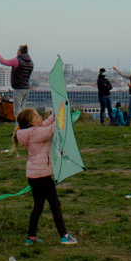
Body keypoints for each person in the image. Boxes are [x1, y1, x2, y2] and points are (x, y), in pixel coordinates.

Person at [14, 105, 77, 245]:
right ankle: (64, 235)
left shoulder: (30, 131)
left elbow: (46, 124)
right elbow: (51, 130)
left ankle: (31, 237)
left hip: (33, 175)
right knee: (55, 204)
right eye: (37, 117)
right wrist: (62, 115)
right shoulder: (36, 133)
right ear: (30, 122)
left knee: (38, 205)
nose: (40, 117)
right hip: (43, 175)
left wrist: (55, 114)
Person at [0, 46, 35, 115]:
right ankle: (24, 125)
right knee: (23, 109)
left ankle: (18, 125)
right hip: (26, 88)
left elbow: (2, 61)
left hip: (19, 88)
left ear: (20, 51)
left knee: (17, 111)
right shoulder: (31, 62)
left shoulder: (17, 61)